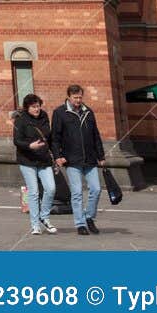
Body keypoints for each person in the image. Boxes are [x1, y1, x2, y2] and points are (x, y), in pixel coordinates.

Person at [50, 84, 107, 236]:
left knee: (96, 189)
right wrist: (57, 156)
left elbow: (96, 135)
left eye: (80, 97)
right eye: (75, 98)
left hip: (90, 158)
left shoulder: (88, 112)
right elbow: (55, 138)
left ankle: (89, 217)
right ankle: (80, 224)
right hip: (71, 159)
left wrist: (101, 156)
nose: (78, 100)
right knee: (76, 193)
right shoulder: (59, 113)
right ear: (68, 96)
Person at [13, 93, 57, 236]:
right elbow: (17, 140)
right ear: (27, 108)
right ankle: (35, 225)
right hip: (27, 160)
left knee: (51, 189)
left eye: (38, 106)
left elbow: (49, 137)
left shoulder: (44, 116)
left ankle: (44, 217)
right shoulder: (20, 120)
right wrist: (29, 146)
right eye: (33, 107)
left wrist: (56, 156)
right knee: (34, 192)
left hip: (44, 159)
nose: (37, 109)